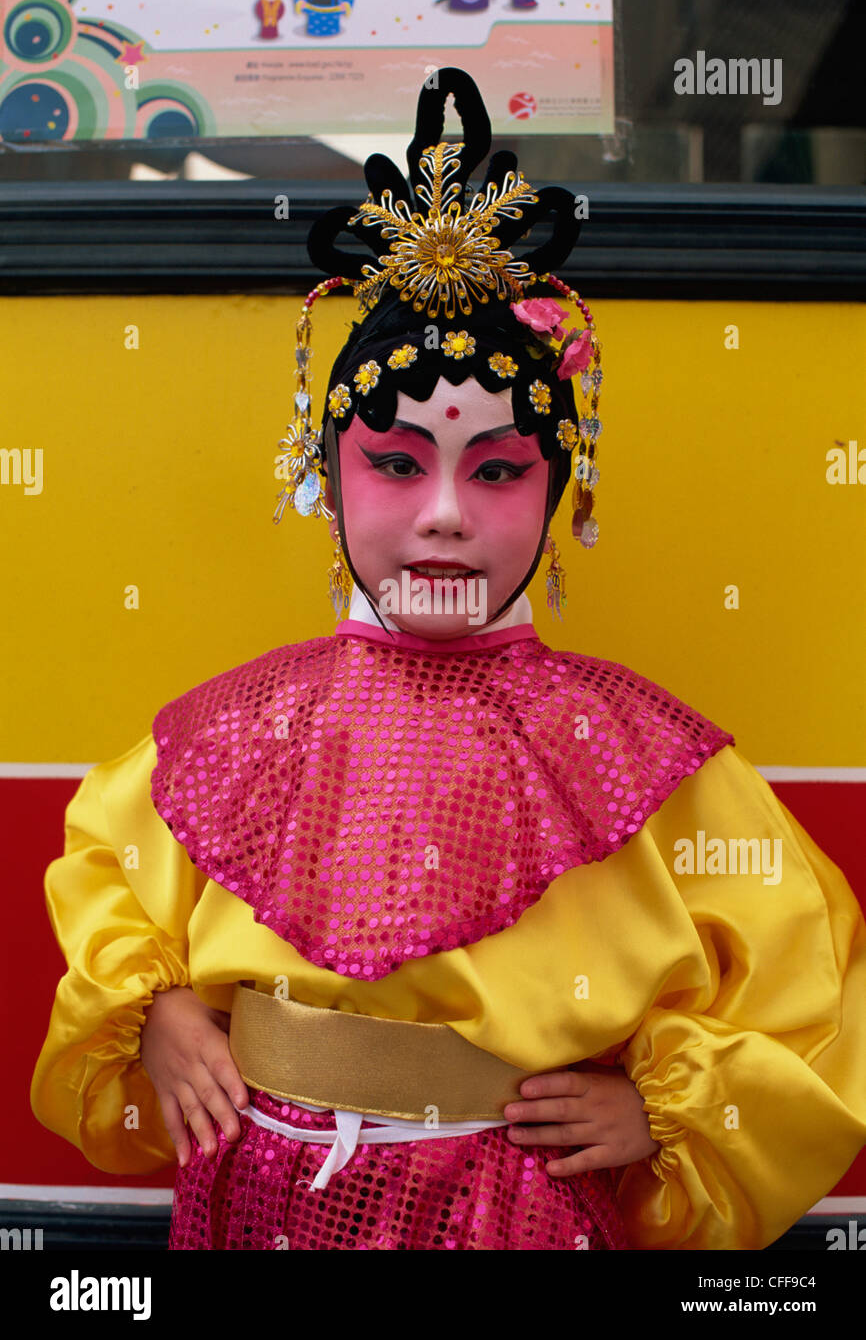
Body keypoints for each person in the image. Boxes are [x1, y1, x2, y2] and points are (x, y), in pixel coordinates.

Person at [31, 68, 866, 1251]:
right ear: (323, 475)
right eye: (395, 460)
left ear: (555, 491)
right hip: (259, 1201)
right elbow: (112, 877)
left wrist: (668, 1109)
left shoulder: (648, 766)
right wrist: (158, 1006)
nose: (440, 515)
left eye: (494, 469)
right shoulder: (233, 730)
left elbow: (809, 984)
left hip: (511, 1216)